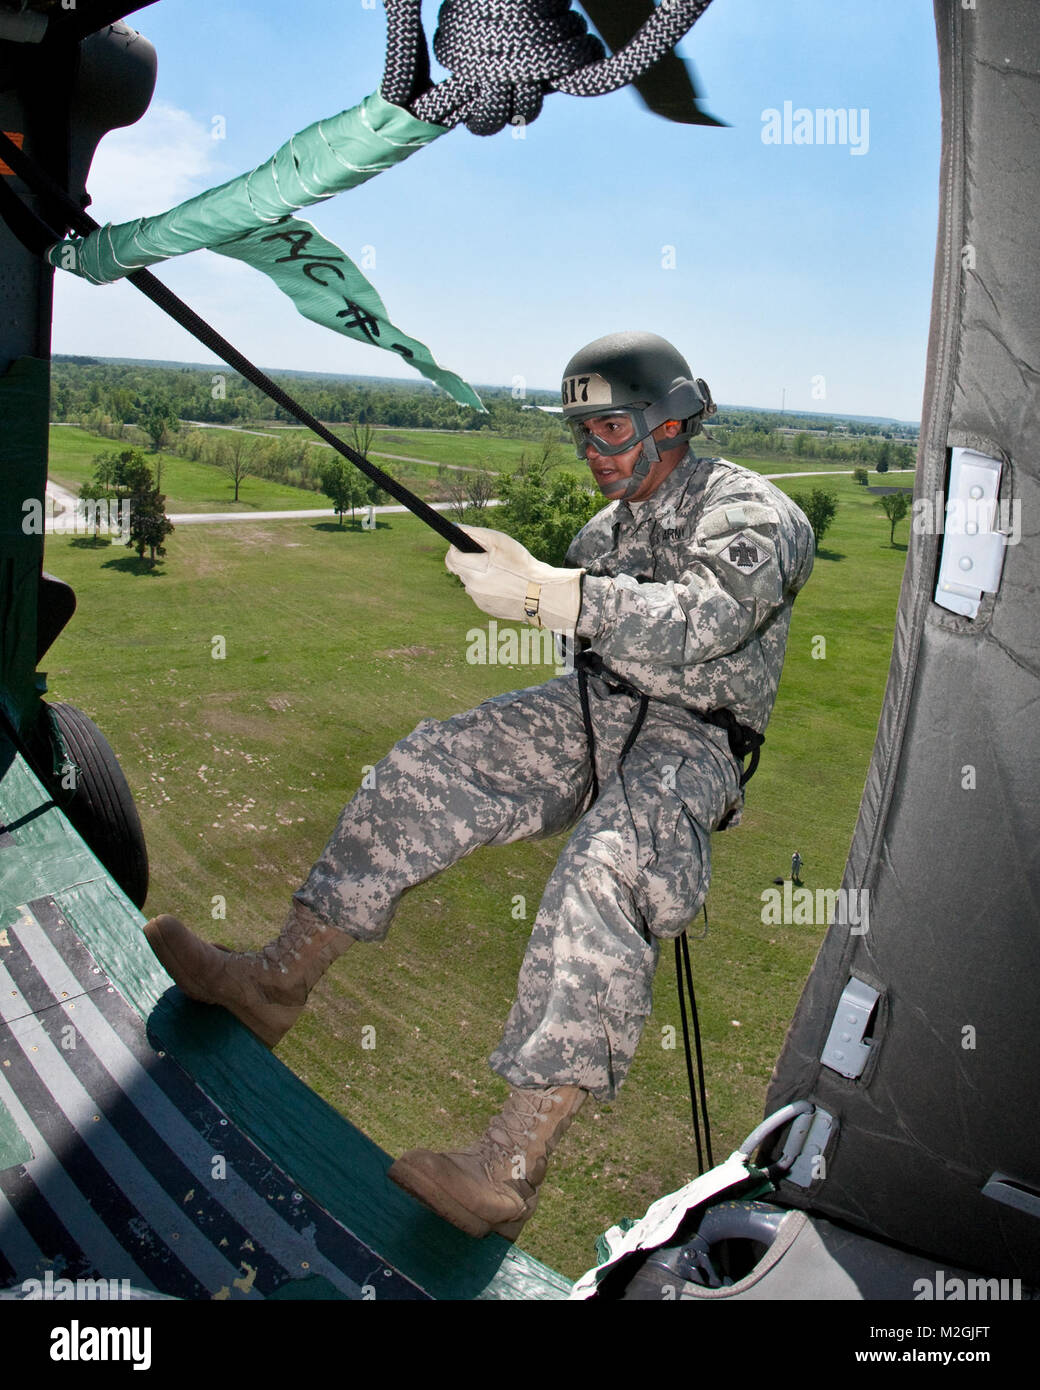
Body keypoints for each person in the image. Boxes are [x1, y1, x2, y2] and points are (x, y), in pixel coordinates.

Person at [143, 330, 815, 1241]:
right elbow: (584, 641)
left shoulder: (753, 514)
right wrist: (534, 590)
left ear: (672, 421)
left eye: (610, 426)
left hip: (694, 739)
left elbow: (704, 621)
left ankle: (509, 1165)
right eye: (580, 432)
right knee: (432, 762)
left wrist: (550, 594)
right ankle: (279, 979)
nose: (592, 450)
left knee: (604, 871)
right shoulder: (598, 537)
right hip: (595, 707)